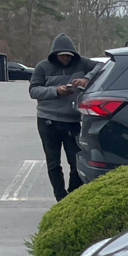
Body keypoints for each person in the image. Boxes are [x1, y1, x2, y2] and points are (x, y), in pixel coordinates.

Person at [29, 34, 98, 201]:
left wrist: (86, 79)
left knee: (75, 162)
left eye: (68, 55)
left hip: (72, 121)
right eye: (62, 56)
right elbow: (33, 90)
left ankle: (72, 195)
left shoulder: (82, 63)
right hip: (47, 121)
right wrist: (55, 91)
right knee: (53, 163)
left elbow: (103, 66)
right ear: (55, 55)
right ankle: (60, 197)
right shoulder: (42, 67)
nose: (66, 58)